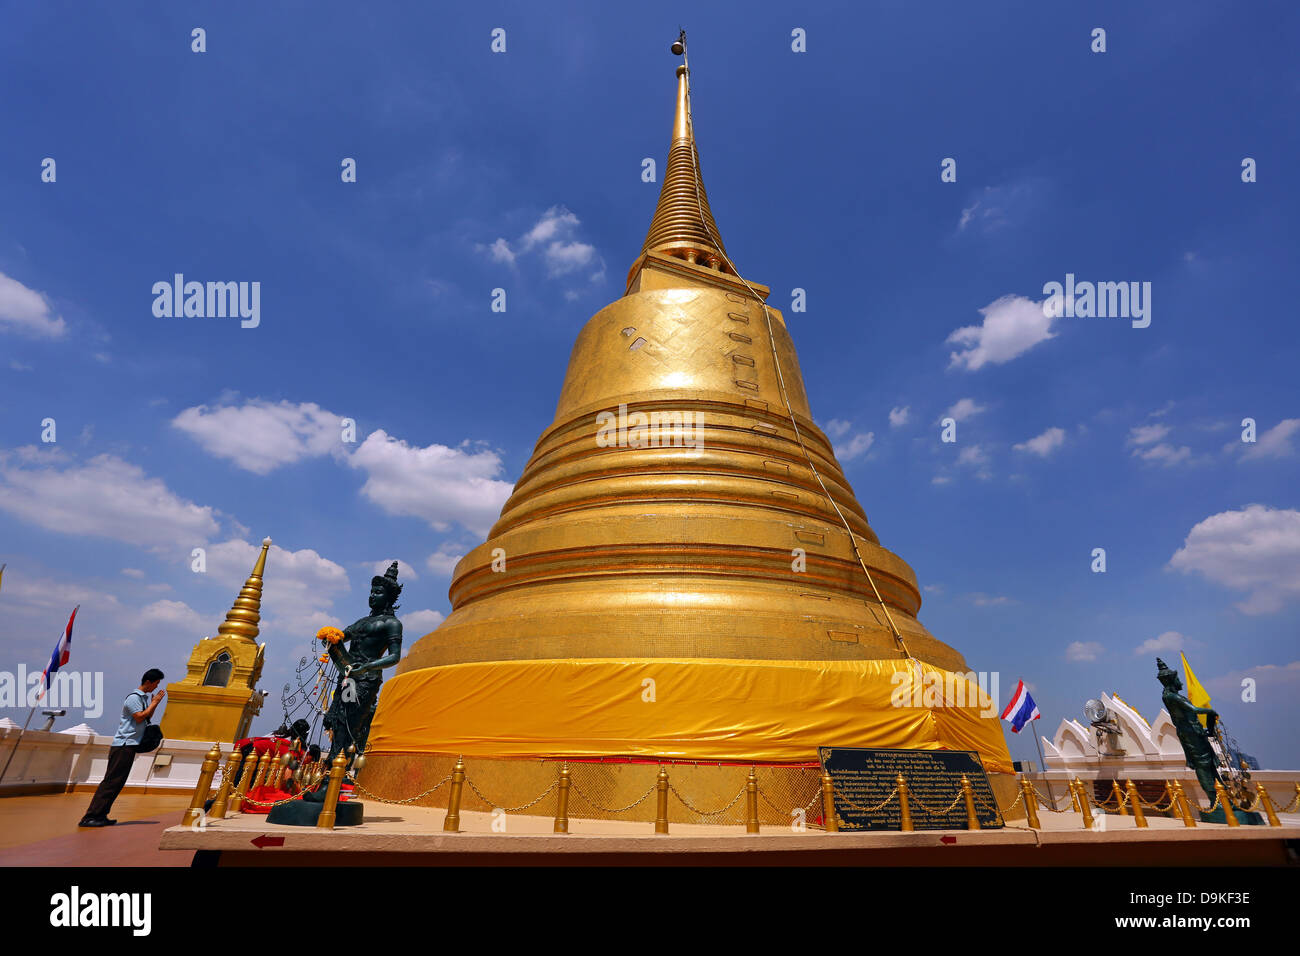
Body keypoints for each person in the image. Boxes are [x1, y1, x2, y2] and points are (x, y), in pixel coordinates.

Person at [78, 669, 165, 828]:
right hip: (124, 744)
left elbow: (146, 718)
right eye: (156, 683)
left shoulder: (142, 699)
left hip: (130, 744)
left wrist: (153, 705)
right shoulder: (133, 698)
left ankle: (101, 814)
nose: (156, 687)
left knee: (117, 782)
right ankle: (91, 816)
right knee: (111, 781)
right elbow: (139, 717)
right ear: (148, 682)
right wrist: (154, 703)